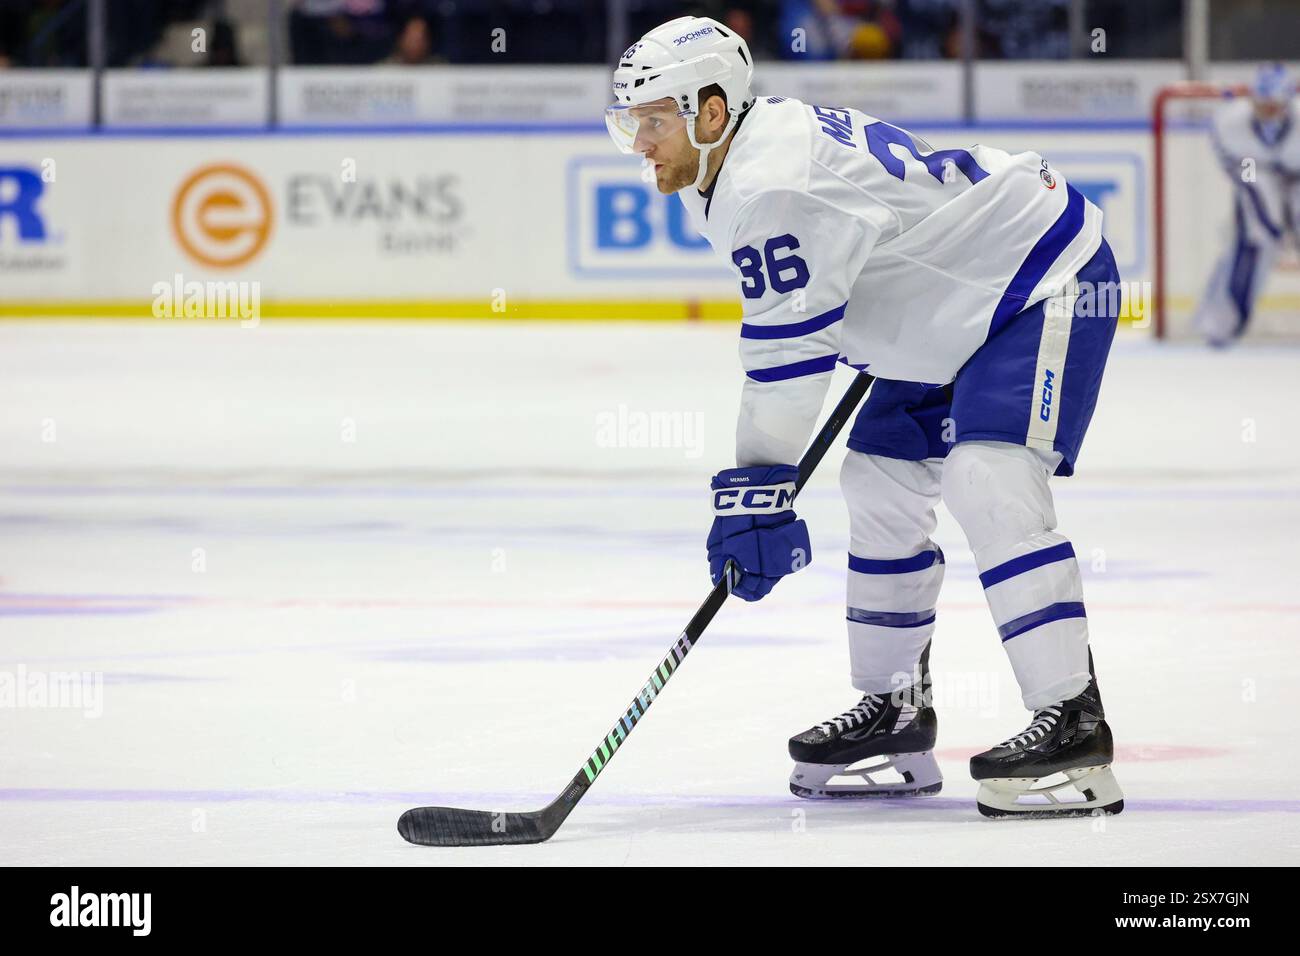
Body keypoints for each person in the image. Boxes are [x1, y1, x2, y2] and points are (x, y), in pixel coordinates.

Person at [605, 16, 1124, 818]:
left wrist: (756, 489)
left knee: (988, 476)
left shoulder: (769, 181)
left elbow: (787, 364)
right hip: (948, 308)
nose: (640, 141)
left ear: (712, 112)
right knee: (877, 482)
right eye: (631, 122)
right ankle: (896, 711)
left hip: (1036, 279)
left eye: (654, 120)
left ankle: (1075, 721)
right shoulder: (739, 158)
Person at [1194, 63, 1300, 346]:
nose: (1266, 113)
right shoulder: (1230, 123)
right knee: (1255, 241)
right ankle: (1221, 322)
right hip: (1256, 175)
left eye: (1273, 107)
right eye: (1261, 105)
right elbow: (1244, 176)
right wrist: (1272, 226)